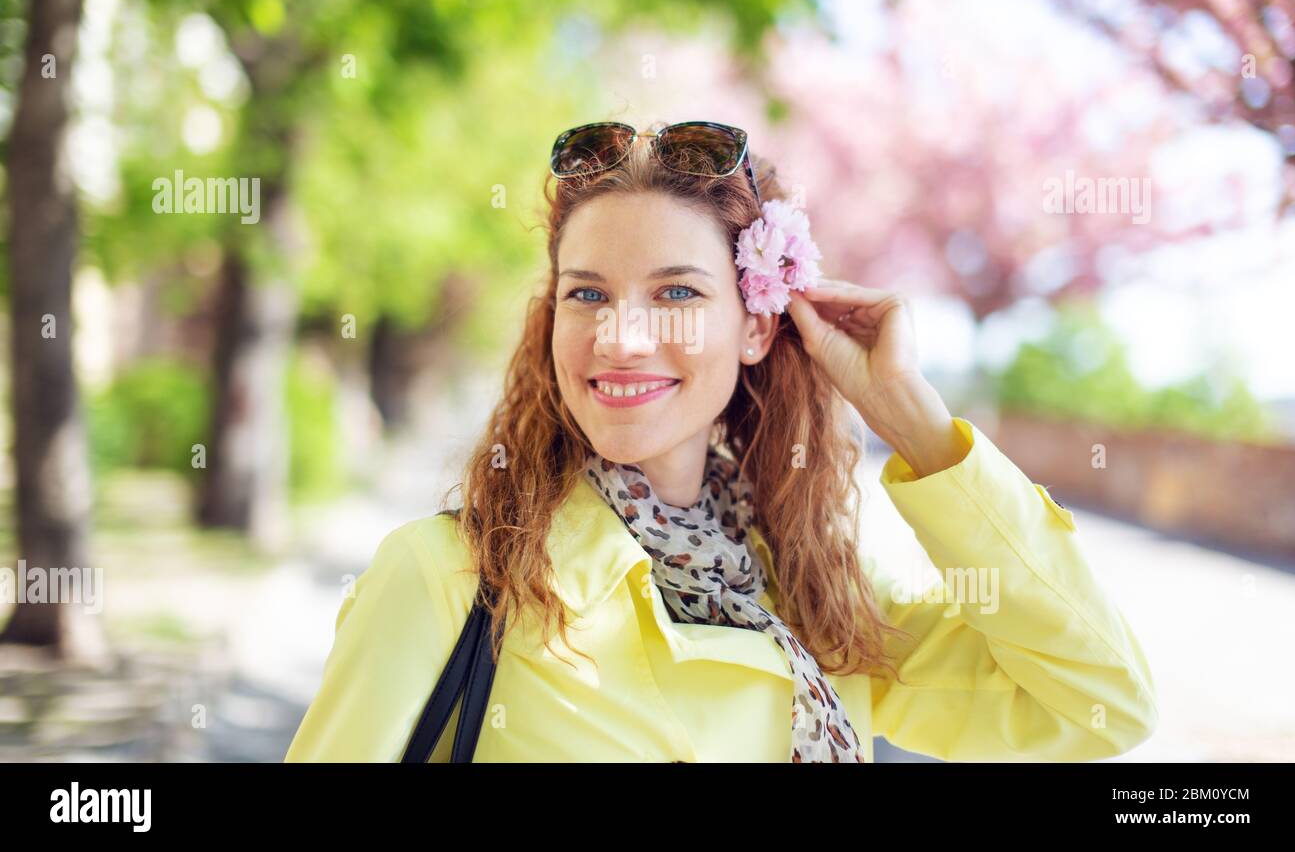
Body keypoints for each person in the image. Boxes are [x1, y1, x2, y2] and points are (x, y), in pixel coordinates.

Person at [285, 120, 1158, 763]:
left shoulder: (818, 600)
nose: (621, 337)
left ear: (756, 325)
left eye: (677, 294)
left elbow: (1100, 703)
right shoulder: (450, 578)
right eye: (587, 294)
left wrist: (917, 427)